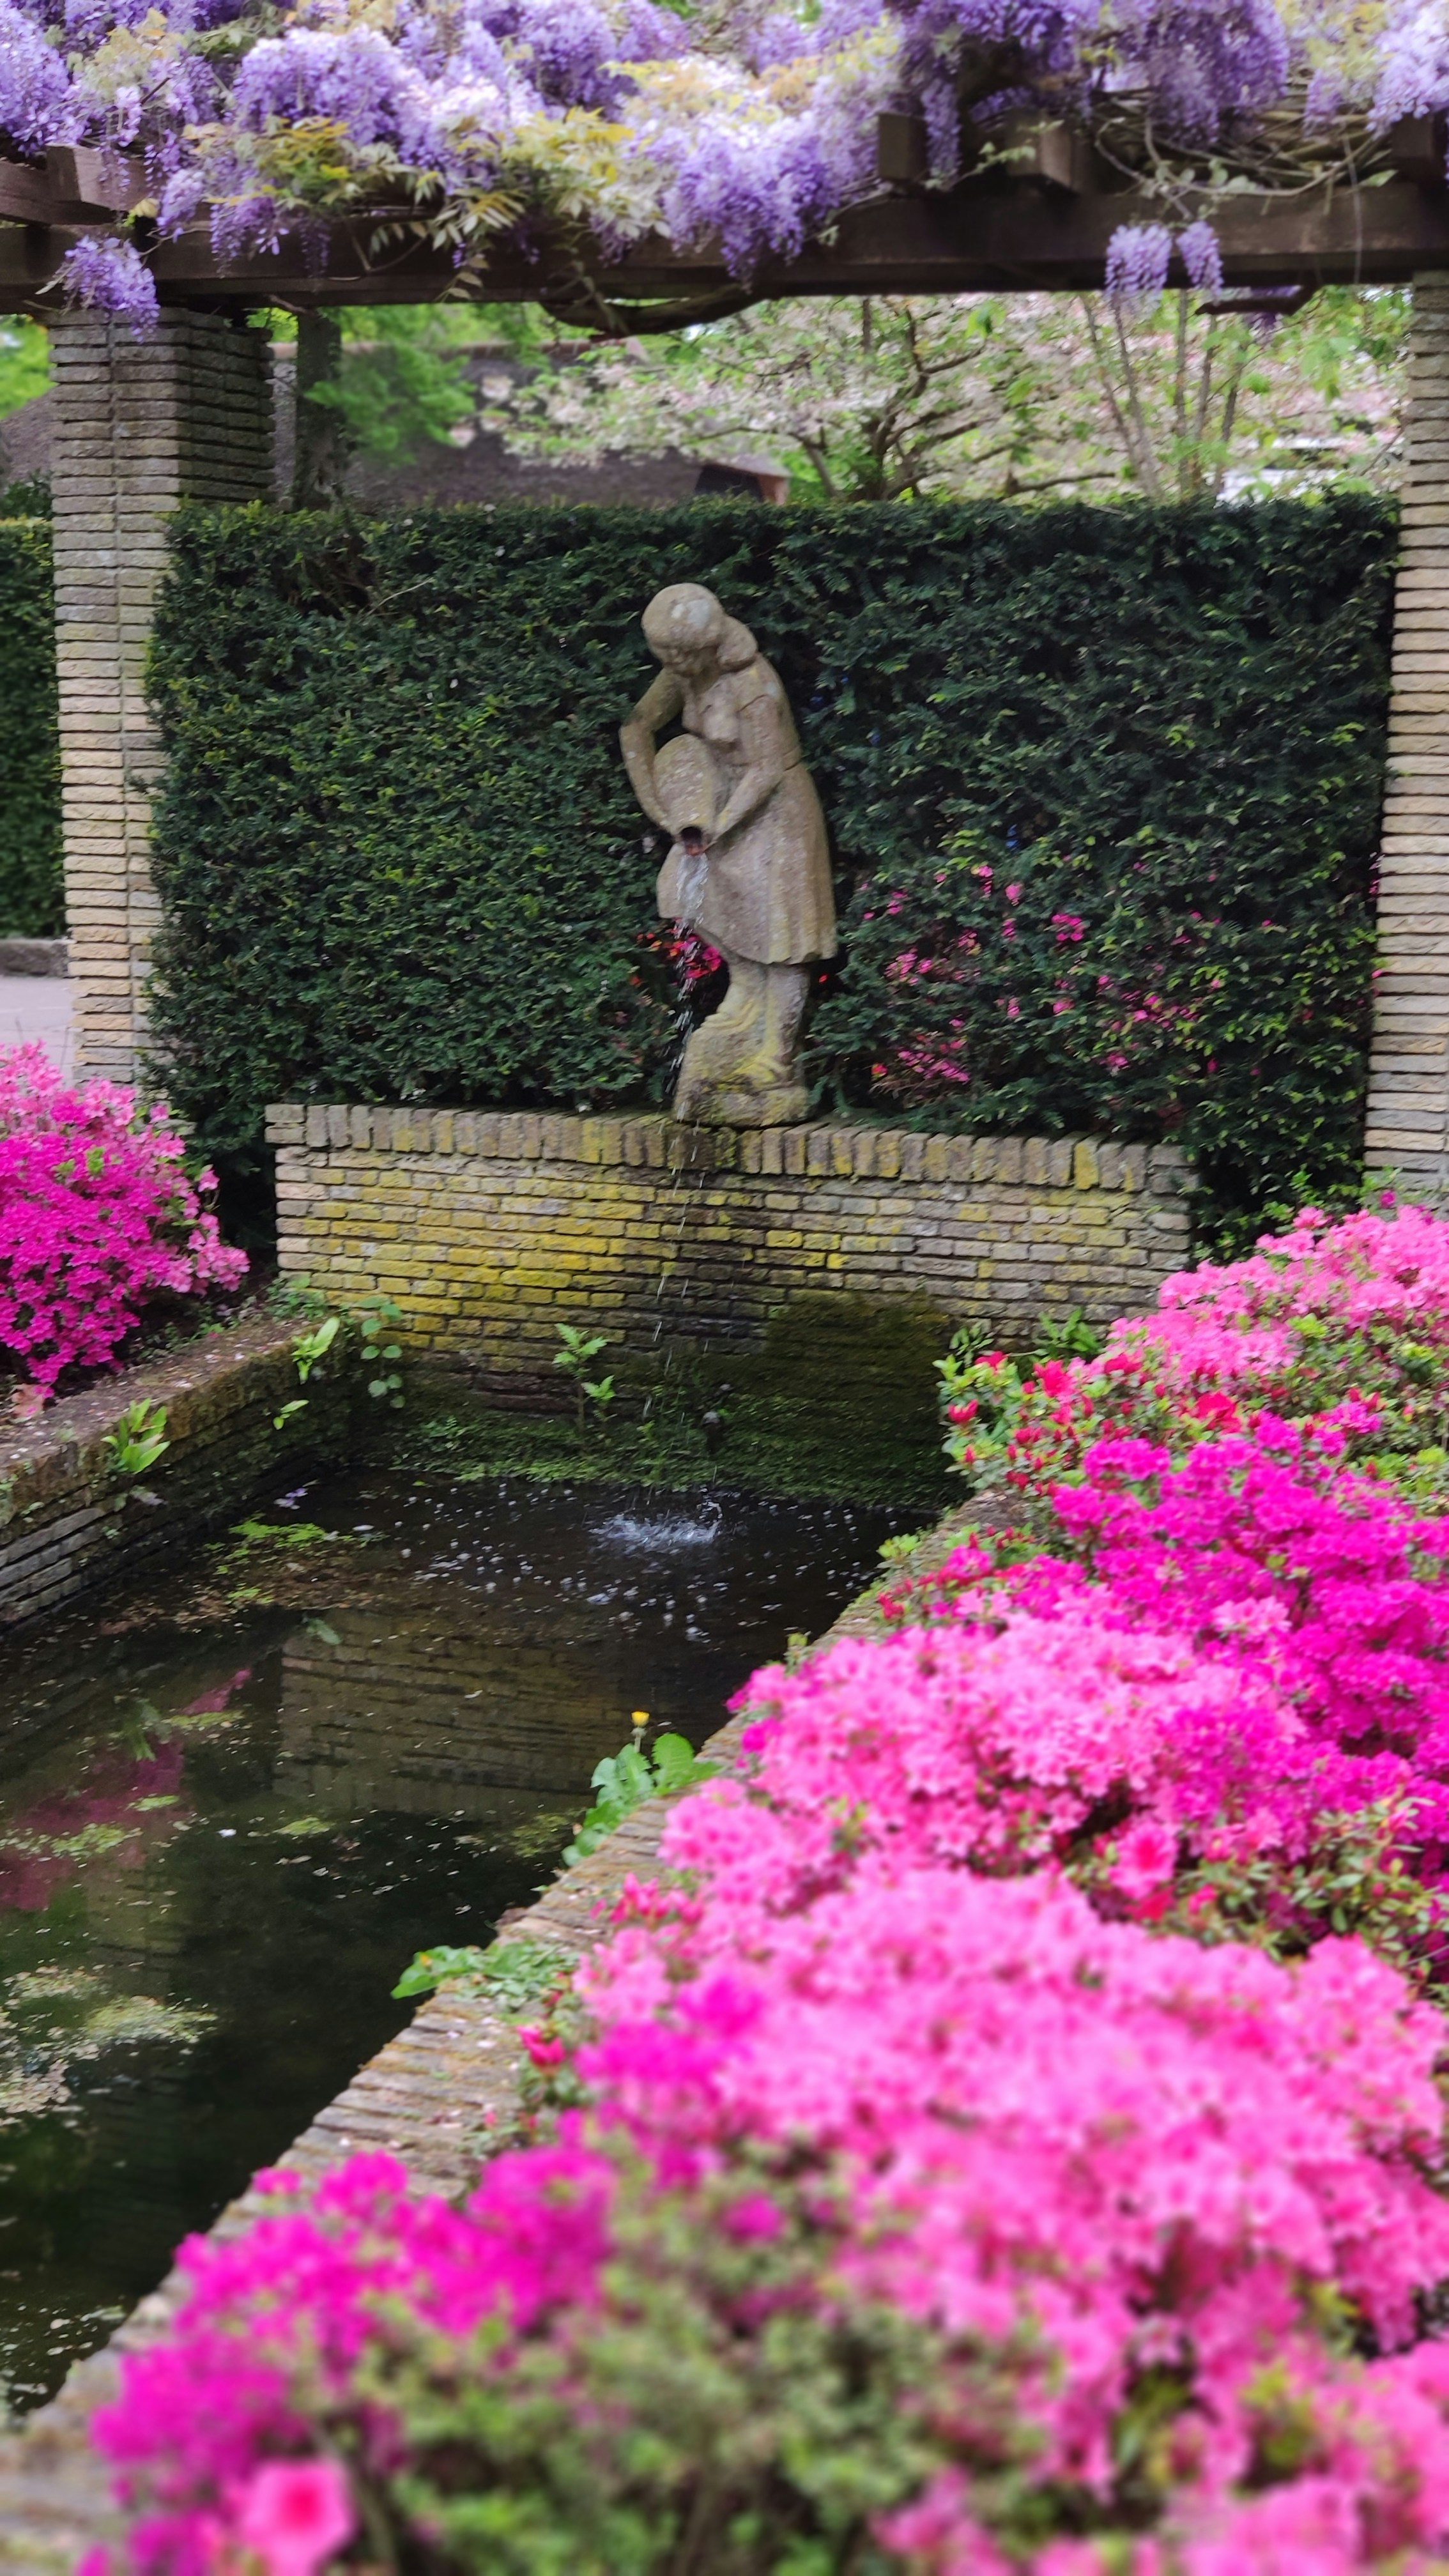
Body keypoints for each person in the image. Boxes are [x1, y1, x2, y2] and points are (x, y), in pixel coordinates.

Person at [620, 581, 836, 1123]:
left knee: (786, 936)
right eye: (663, 656)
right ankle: (744, 992)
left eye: (675, 655)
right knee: (680, 892)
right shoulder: (685, 674)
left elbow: (766, 768)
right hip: (718, 806)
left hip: (776, 809)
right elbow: (637, 727)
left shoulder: (753, 685)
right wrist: (656, 803)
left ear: (702, 646)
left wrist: (720, 825)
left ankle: (777, 1058)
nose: (668, 665)